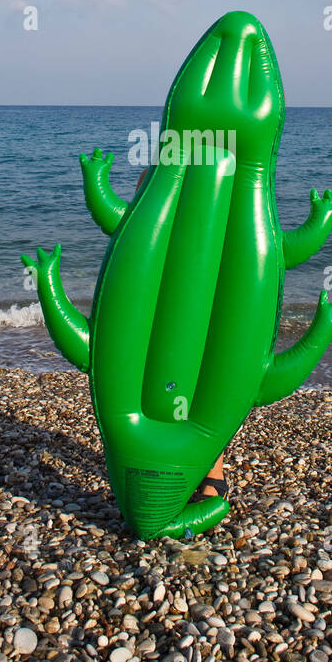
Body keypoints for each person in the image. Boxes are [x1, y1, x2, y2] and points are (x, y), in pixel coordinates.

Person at [135, 166, 228, 502]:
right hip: (167, 294)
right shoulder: (155, 171)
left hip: (211, 286)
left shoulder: (226, 166)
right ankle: (168, 462)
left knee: (210, 383)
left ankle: (213, 470)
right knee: (166, 381)